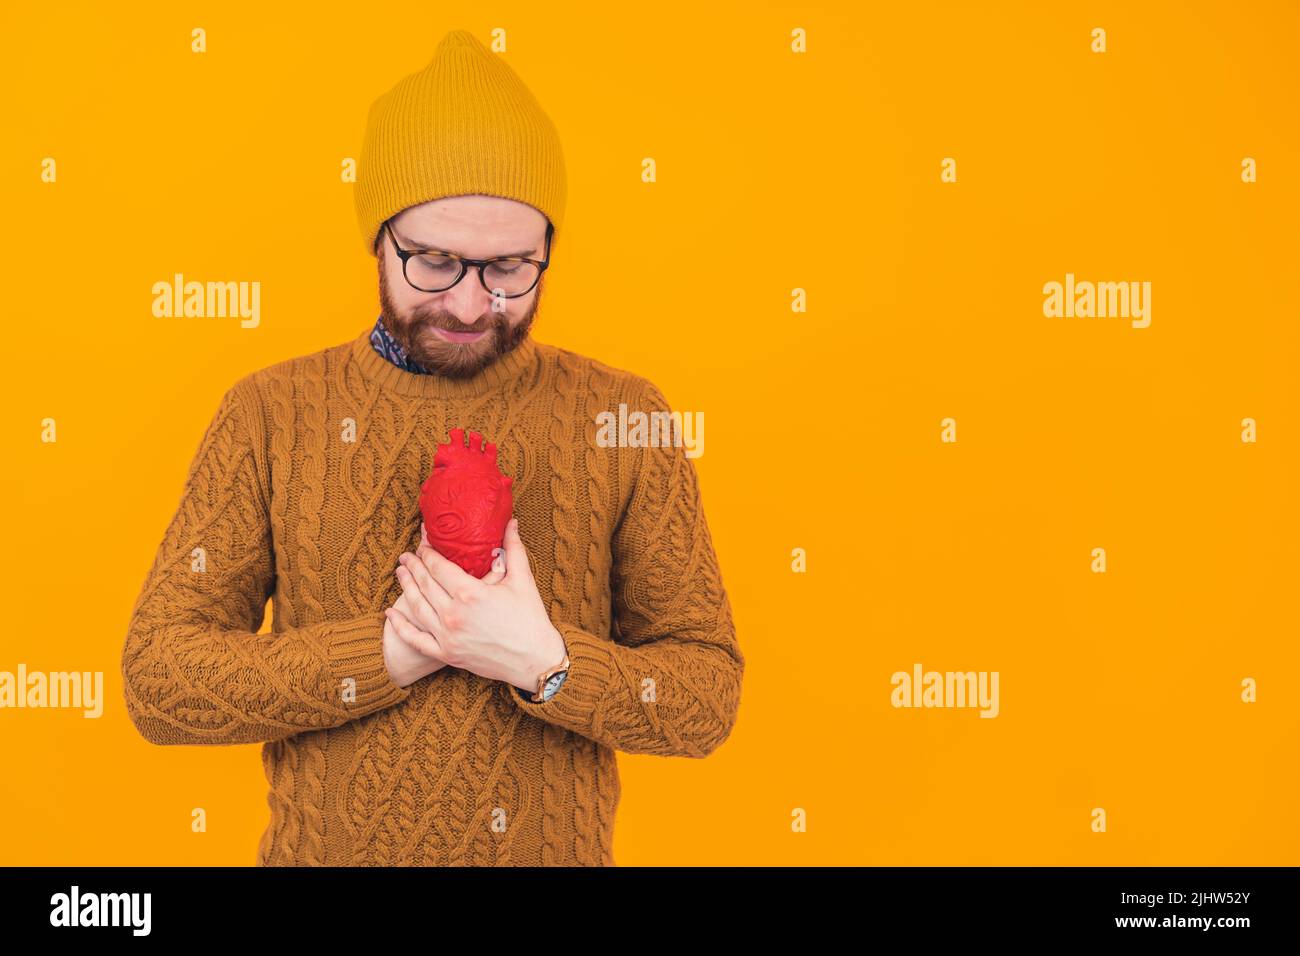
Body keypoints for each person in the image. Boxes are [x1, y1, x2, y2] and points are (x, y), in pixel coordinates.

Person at [120, 28, 743, 867]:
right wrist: (388, 654)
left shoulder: (623, 416)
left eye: (510, 267)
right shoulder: (269, 414)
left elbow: (704, 699)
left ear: (548, 251)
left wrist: (544, 662)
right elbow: (160, 680)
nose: (470, 304)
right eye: (435, 261)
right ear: (377, 237)